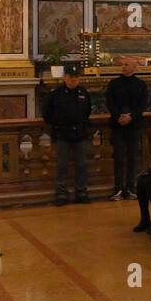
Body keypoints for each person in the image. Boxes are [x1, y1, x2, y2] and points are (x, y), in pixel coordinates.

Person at [43, 64, 93, 205]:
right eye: (71, 77)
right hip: (62, 135)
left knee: (82, 164)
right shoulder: (55, 94)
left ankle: (81, 191)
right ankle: (61, 193)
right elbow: (47, 114)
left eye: (76, 77)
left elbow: (87, 111)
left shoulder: (83, 93)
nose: (73, 80)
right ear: (65, 77)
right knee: (62, 165)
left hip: (80, 134)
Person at [105, 56, 149, 201]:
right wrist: (119, 116)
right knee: (118, 157)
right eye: (122, 65)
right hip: (118, 126)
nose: (124, 67)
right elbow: (110, 102)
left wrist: (131, 116)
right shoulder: (114, 83)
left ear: (134, 68)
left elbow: (143, 105)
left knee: (132, 158)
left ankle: (130, 188)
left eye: (127, 65)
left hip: (134, 125)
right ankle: (118, 188)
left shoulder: (140, 84)